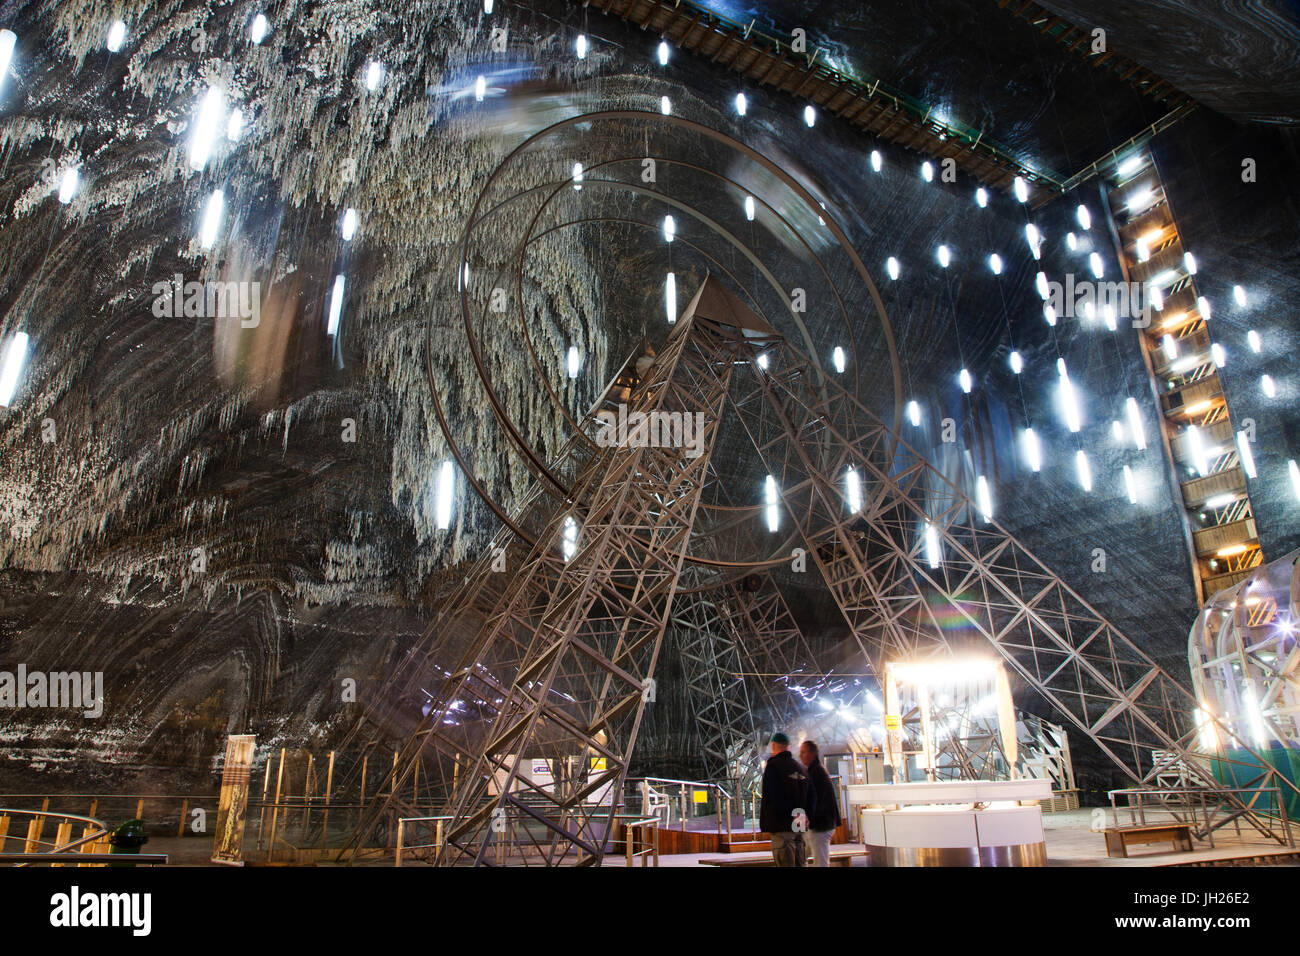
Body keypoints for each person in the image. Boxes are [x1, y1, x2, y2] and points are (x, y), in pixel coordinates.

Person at [759, 732, 811, 866]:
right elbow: (813, 796)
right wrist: (804, 815)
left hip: (781, 825)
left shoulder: (773, 767)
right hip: (800, 825)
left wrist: (790, 814)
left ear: (774, 745)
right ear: (789, 746)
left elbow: (775, 796)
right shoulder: (802, 768)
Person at [799, 740, 841, 867]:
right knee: (803, 856)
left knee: (820, 861)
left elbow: (814, 800)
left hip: (820, 825)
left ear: (813, 754)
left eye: (803, 752)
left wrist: (808, 819)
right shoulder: (816, 770)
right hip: (819, 824)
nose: (800, 755)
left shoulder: (816, 772)